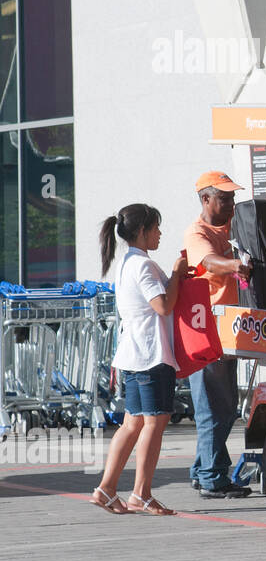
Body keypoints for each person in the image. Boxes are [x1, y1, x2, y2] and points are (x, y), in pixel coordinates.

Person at [90, 204, 189, 515]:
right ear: (142, 232)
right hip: (151, 355)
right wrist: (176, 274)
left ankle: (106, 489)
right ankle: (141, 493)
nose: (160, 233)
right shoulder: (143, 265)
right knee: (153, 424)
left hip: (132, 355)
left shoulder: (126, 262)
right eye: (156, 228)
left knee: (131, 424)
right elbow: (163, 306)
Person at [183, 171, 253, 498]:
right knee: (214, 409)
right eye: (224, 198)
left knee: (222, 407)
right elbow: (207, 262)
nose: (231, 203)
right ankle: (212, 478)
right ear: (206, 200)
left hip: (230, 333)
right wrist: (234, 265)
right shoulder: (198, 232)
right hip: (206, 334)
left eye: (233, 197)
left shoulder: (236, 227)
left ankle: (203, 470)